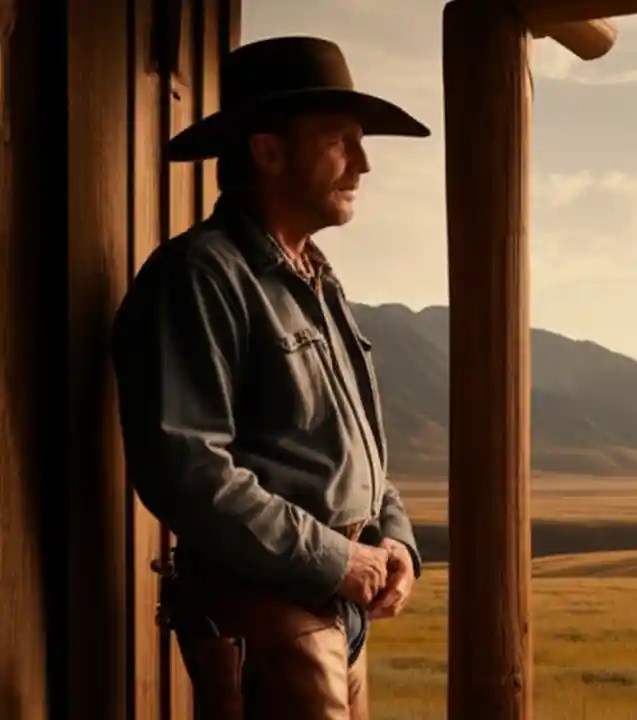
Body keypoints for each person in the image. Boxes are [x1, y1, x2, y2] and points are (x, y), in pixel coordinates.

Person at [111, 35, 431, 719]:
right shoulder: (199, 276)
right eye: (340, 141)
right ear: (268, 150)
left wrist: (396, 539)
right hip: (266, 615)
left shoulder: (317, 281)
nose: (364, 163)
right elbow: (186, 468)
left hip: (334, 604)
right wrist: (336, 559)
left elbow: (356, 451)